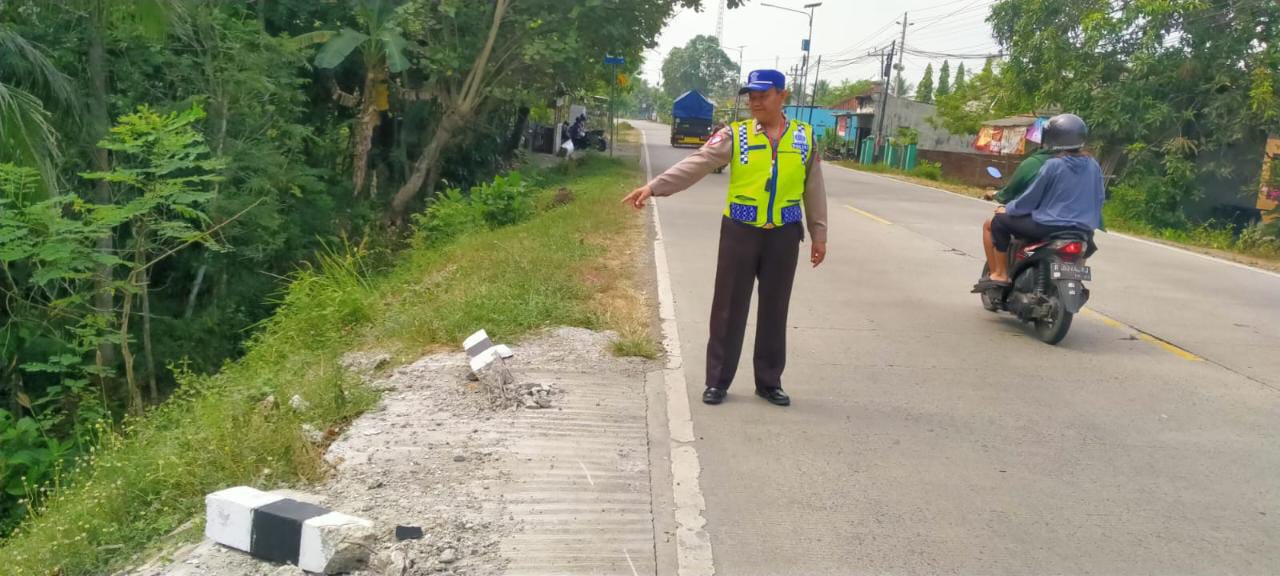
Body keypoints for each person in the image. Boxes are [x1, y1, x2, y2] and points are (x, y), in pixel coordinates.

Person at [622, 69, 827, 407]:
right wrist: (654, 187)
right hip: (740, 232)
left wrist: (819, 234)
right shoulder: (736, 135)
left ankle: (768, 381)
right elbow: (697, 164)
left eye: (763, 94)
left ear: (782, 96)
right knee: (729, 307)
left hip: (784, 234)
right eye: (751, 96)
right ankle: (717, 380)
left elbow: (814, 188)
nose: (755, 101)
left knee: (775, 309)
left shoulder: (804, 137)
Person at [975, 114, 1104, 289]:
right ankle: (1075, 278)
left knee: (998, 222)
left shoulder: (1053, 165)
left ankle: (1001, 274)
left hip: (1049, 226)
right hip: (1083, 229)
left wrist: (1010, 209)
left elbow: (1030, 198)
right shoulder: (1093, 165)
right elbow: (1100, 197)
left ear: (1052, 138)